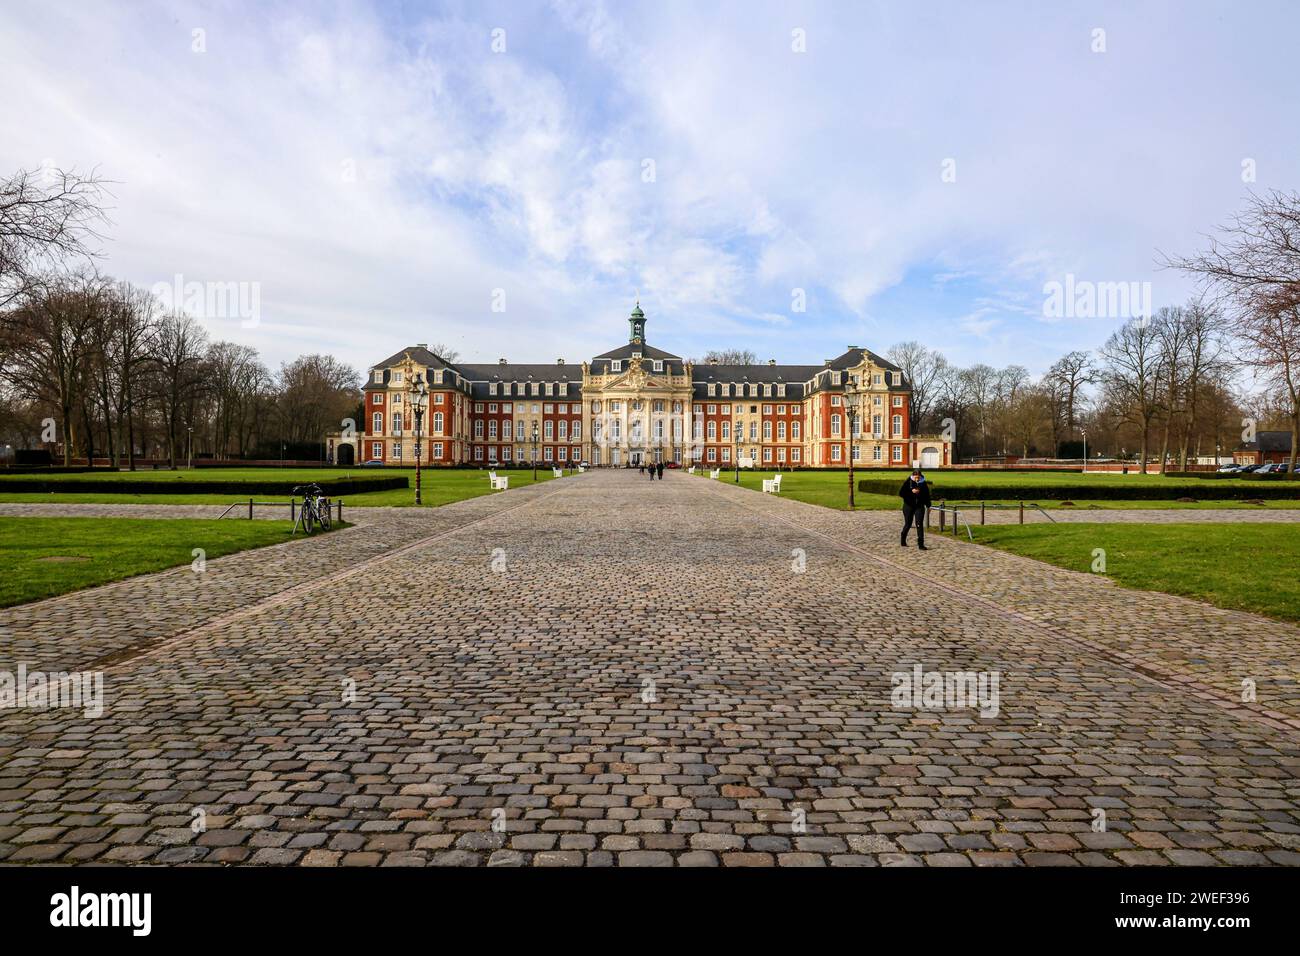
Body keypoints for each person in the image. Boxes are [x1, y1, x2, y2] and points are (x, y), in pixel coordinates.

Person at [898, 467, 931, 550]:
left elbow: (927, 495)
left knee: (919, 524)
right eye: (916, 477)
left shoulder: (923, 483)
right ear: (913, 476)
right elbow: (901, 493)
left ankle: (921, 544)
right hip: (908, 506)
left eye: (919, 477)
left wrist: (928, 506)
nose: (917, 479)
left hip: (919, 506)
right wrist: (911, 491)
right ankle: (903, 539)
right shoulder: (908, 482)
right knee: (908, 524)